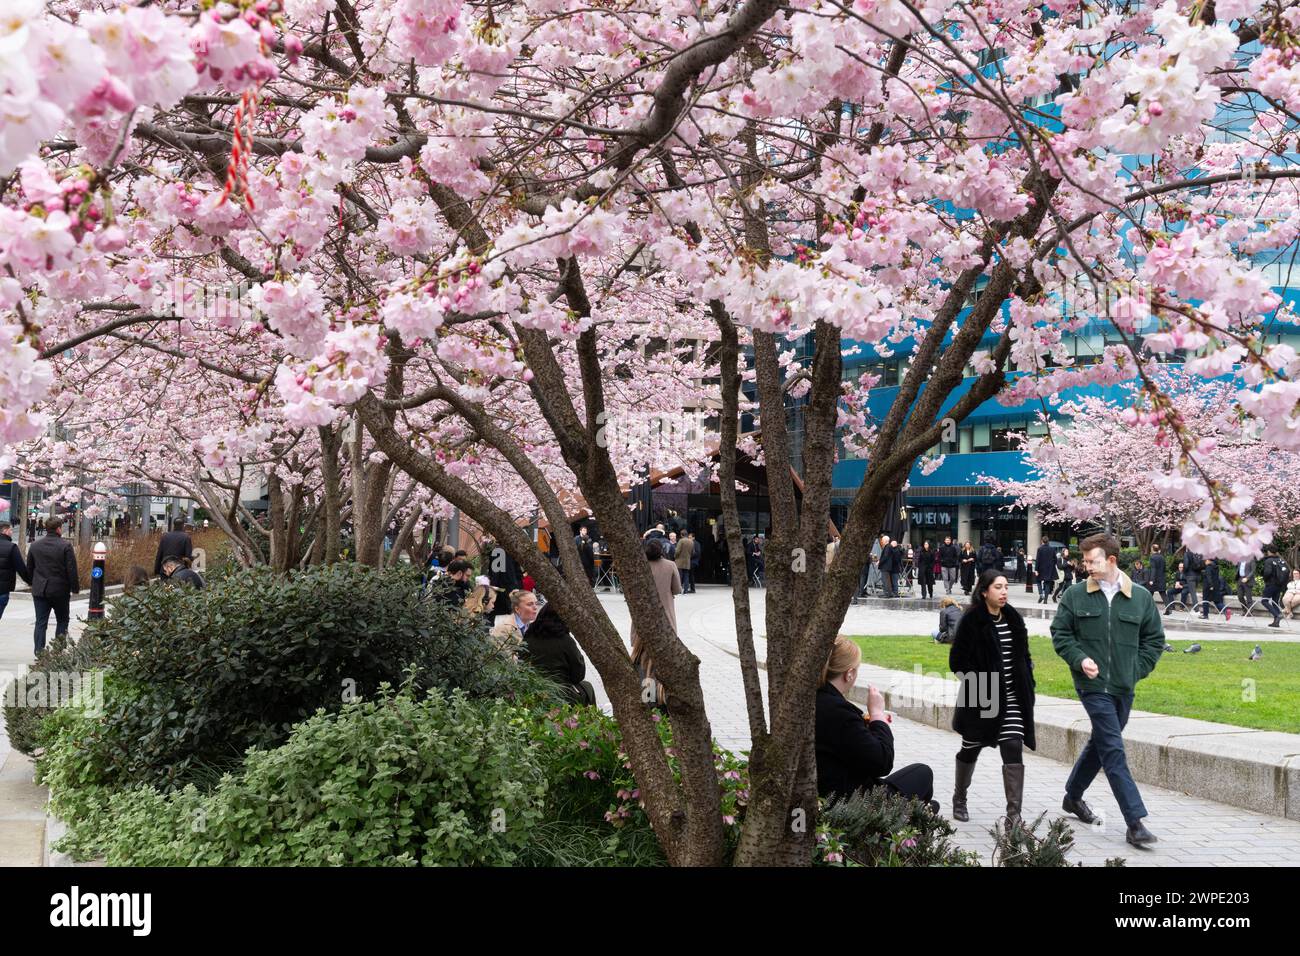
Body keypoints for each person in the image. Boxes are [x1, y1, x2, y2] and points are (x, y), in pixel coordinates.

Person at [1051, 533, 1164, 848]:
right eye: (1085, 561)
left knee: (1101, 743)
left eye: (1092, 561)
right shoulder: (1075, 595)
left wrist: (1135, 670)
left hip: (1124, 686)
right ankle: (1135, 822)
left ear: (1111, 560)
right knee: (1113, 749)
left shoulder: (1140, 597)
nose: (1086, 566)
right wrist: (1080, 658)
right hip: (1092, 686)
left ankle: (1073, 797)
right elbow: (1060, 633)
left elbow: (1154, 640)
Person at [949, 568, 1036, 824]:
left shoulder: (1013, 619)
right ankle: (959, 797)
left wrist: (1028, 678)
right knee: (970, 749)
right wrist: (981, 687)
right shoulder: (972, 620)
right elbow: (957, 662)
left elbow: (1024, 656)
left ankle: (1014, 817)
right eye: (998, 587)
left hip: (1013, 697)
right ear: (984, 591)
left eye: (1006, 587)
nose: (1004, 592)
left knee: (1012, 747)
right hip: (981, 698)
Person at [815, 635, 937, 808]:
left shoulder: (814, 699)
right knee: (923, 773)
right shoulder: (837, 711)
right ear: (849, 674)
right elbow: (881, 762)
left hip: (829, 791)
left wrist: (867, 723)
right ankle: (896, 829)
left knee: (928, 806)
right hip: (849, 802)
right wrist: (877, 714)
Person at [629, 538, 681, 708]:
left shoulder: (639, 566)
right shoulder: (670, 565)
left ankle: (648, 699)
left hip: (642, 622)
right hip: (665, 621)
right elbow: (677, 590)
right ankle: (663, 699)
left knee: (644, 663)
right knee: (664, 662)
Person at [522, 601, 596, 706]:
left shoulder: (529, 636)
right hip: (561, 693)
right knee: (587, 687)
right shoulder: (565, 641)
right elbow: (578, 675)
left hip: (531, 689)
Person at [27, 516, 80, 655]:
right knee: (62, 620)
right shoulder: (65, 546)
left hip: (40, 590)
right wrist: (75, 588)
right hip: (60, 590)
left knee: (40, 622)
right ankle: (58, 651)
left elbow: (30, 569)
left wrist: (33, 583)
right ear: (58, 529)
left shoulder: (35, 546)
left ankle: (39, 651)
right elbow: (71, 569)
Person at [0, 521, 31, 621]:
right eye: (10, 530)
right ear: (5, 531)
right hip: (2, 590)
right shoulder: (11, 547)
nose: (12, 532)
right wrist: (31, 582)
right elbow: (21, 569)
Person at [1258, 546, 1289, 628]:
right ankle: (1276, 622)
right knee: (1275, 602)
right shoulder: (1281, 560)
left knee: (1264, 600)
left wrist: (1265, 579)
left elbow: (1267, 572)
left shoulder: (1269, 560)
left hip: (1271, 584)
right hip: (1279, 585)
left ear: (1269, 551)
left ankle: (1277, 615)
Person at [1149, 543, 1168, 608]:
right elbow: (1165, 568)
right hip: (1162, 578)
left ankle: (1146, 608)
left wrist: (1151, 579)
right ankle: (1168, 608)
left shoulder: (1152, 557)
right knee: (1163, 594)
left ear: (1152, 549)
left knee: (1150, 593)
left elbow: (1153, 569)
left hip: (1155, 579)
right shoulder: (1162, 557)